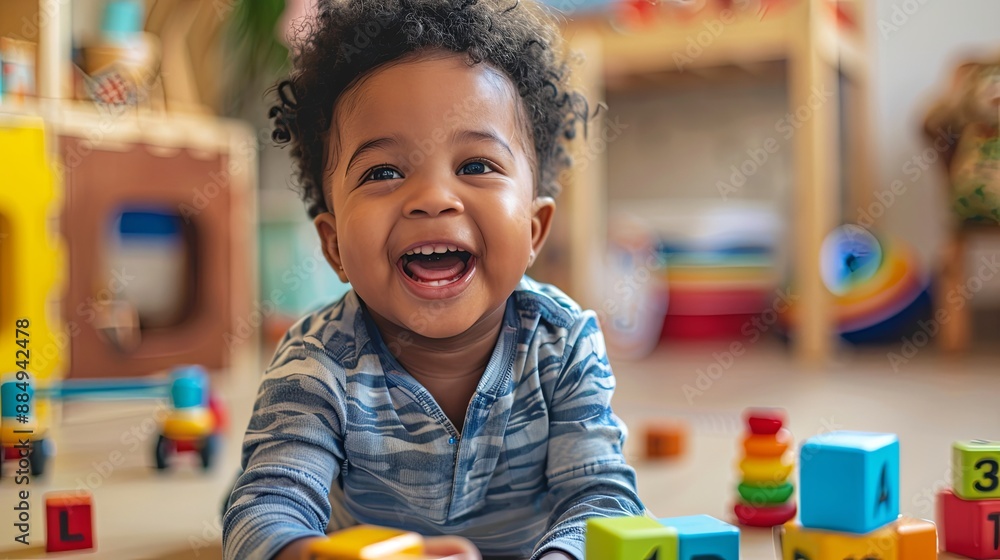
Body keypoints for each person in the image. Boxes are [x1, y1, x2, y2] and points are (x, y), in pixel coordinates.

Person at [222, 0, 645, 558]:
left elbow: (602, 498)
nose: (432, 198)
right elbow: (266, 508)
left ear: (536, 228)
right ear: (334, 246)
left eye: (475, 165)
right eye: (383, 172)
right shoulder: (316, 363)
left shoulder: (563, 345)